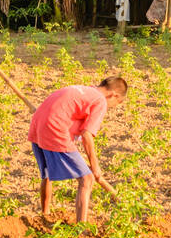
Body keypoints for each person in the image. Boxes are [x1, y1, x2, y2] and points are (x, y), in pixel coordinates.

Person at [28, 77, 128, 223]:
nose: (111, 107)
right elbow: (87, 134)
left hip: (39, 123)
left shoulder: (86, 90)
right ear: (114, 95)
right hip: (54, 127)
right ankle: (82, 229)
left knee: (48, 173)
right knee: (87, 179)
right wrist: (95, 167)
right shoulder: (100, 101)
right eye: (115, 104)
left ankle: (45, 214)